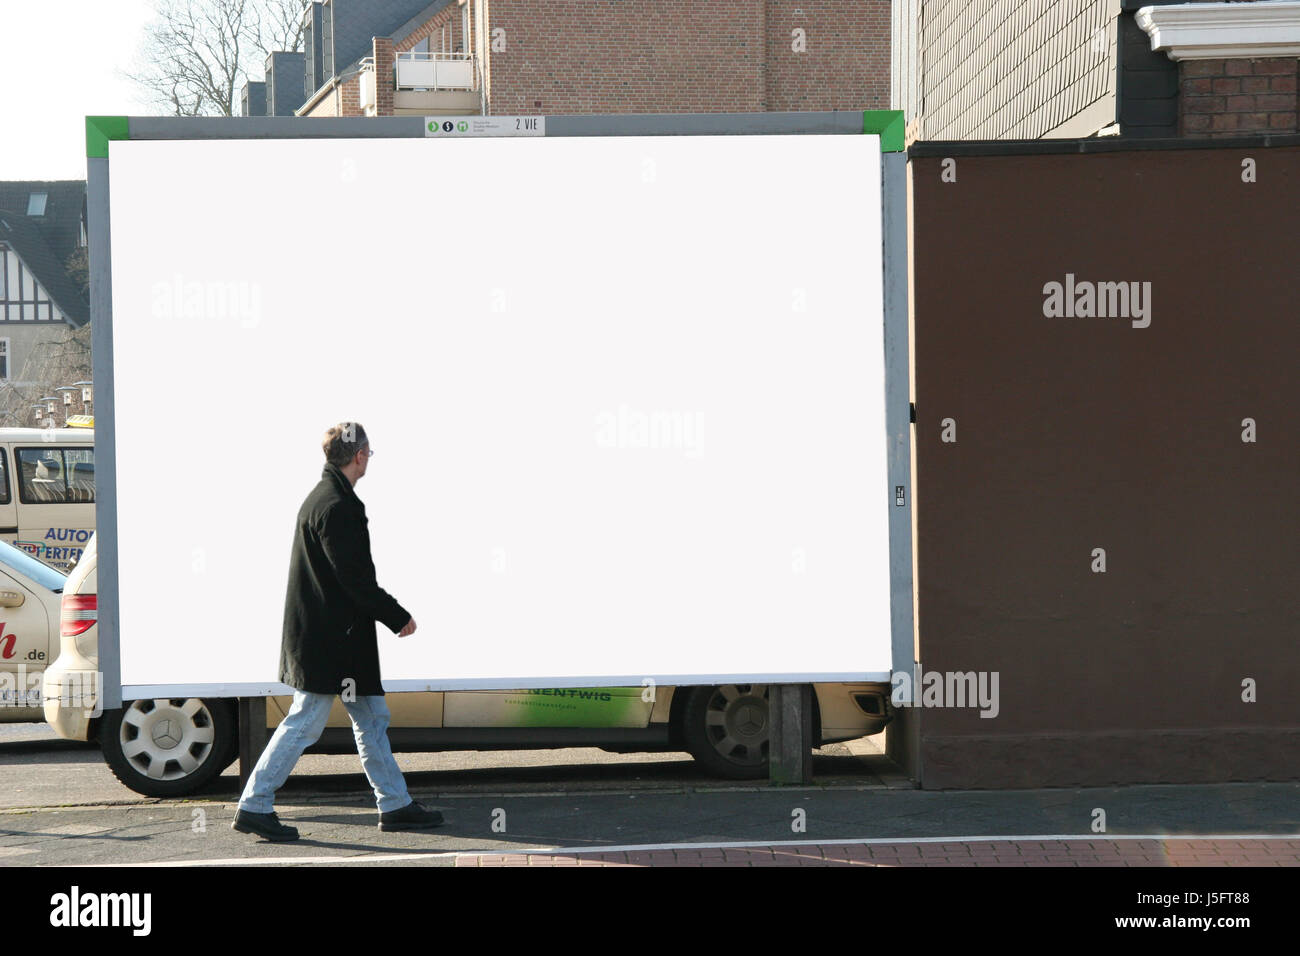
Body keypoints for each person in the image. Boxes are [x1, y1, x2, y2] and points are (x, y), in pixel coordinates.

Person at [231, 422, 443, 841]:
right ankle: (254, 805)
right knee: (306, 720)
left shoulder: (321, 498)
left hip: (331, 638)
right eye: (370, 453)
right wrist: (398, 615)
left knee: (370, 716)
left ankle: (395, 804)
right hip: (331, 643)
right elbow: (355, 579)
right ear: (359, 456)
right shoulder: (338, 507)